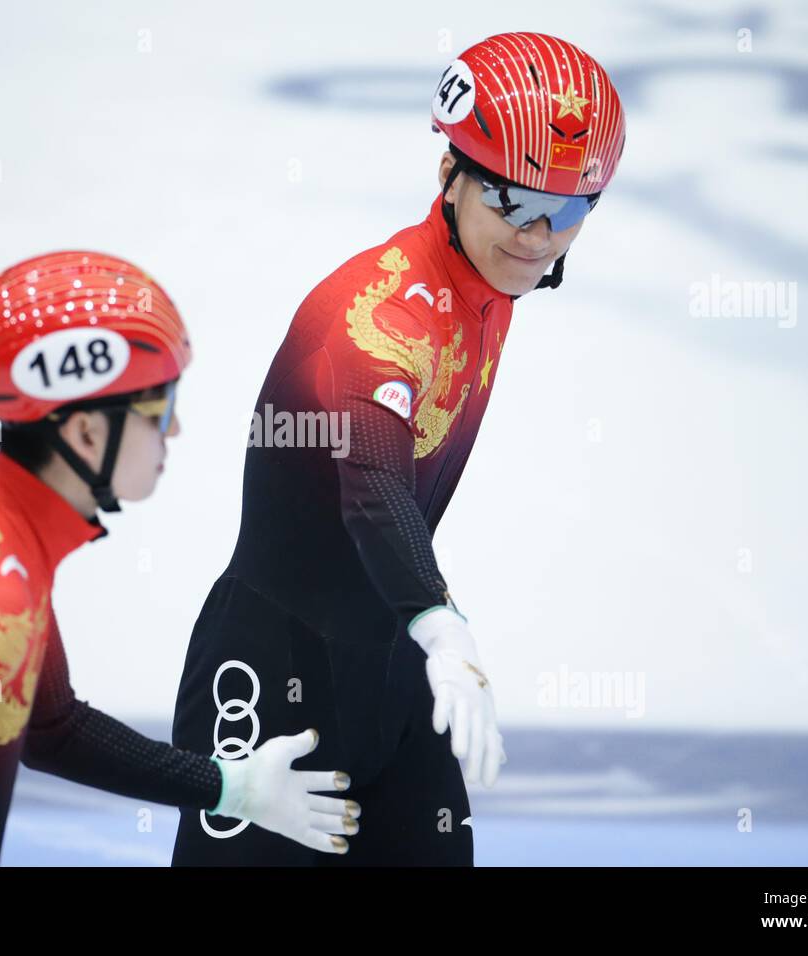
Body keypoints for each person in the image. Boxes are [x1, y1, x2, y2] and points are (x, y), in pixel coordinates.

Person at [170, 33, 627, 865]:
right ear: (449, 176)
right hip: (274, 669)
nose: (535, 237)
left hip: (390, 667)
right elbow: (372, 487)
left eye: (566, 212)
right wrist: (442, 625)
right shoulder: (378, 319)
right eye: (513, 203)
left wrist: (422, 632)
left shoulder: (489, 275)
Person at [0, 251, 359, 865]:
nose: (173, 433)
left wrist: (231, 788)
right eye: (161, 409)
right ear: (87, 435)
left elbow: (50, 729)